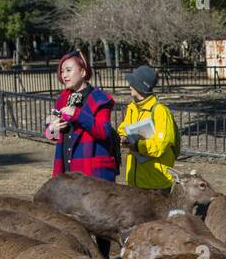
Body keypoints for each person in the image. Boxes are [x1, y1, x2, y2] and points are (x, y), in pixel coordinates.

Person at [44, 49, 117, 180]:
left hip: (93, 173)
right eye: (62, 71)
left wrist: (77, 114)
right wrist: (53, 128)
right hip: (65, 170)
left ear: (83, 72)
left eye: (68, 70)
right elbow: (49, 133)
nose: (64, 75)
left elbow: (104, 132)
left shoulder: (100, 99)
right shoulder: (61, 99)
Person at [117, 64, 179, 189]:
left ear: (140, 86)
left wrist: (136, 145)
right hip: (135, 181)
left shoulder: (160, 111)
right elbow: (123, 129)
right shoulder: (132, 108)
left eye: (132, 82)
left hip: (155, 182)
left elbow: (160, 145)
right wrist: (123, 138)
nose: (129, 85)